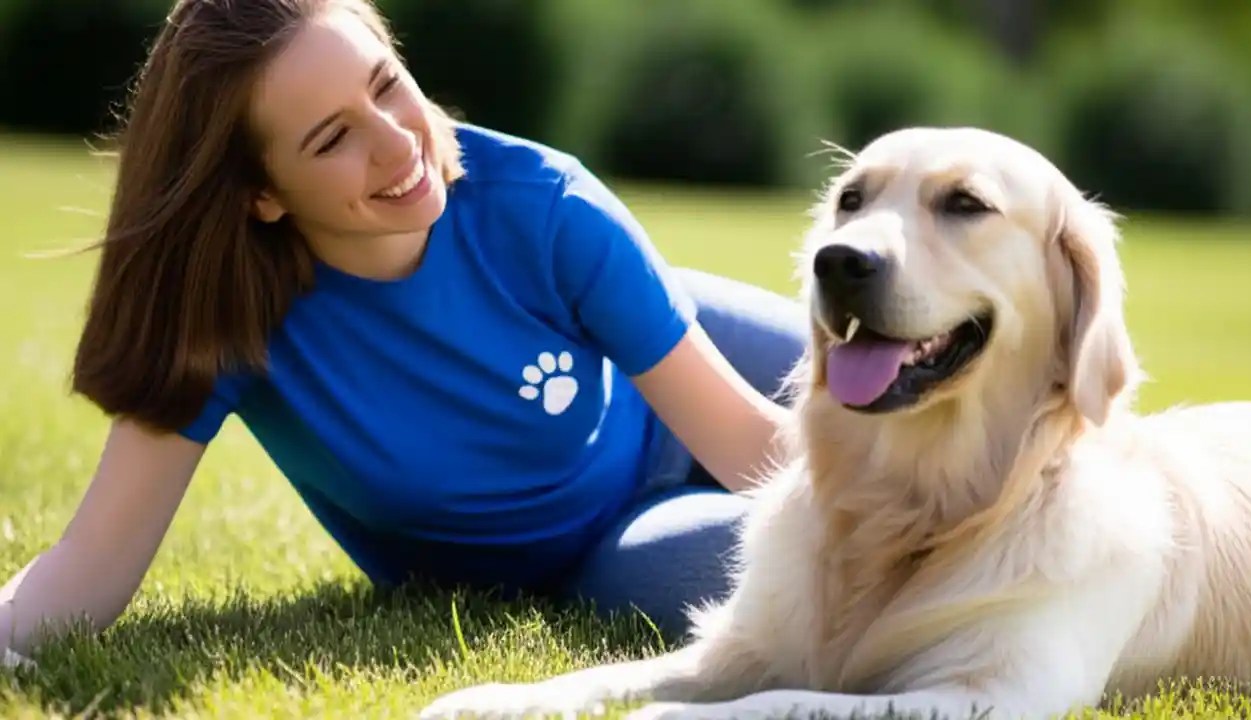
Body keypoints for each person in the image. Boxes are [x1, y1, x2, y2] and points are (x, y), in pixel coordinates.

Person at [0, 0, 808, 664]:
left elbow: (745, 443)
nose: (395, 143)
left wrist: (923, 485)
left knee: (916, 396)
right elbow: (89, 567)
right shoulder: (224, 320)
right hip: (608, 536)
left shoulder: (549, 207)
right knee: (776, 569)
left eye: (386, 86)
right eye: (332, 138)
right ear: (261, 194)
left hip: (680, 358)